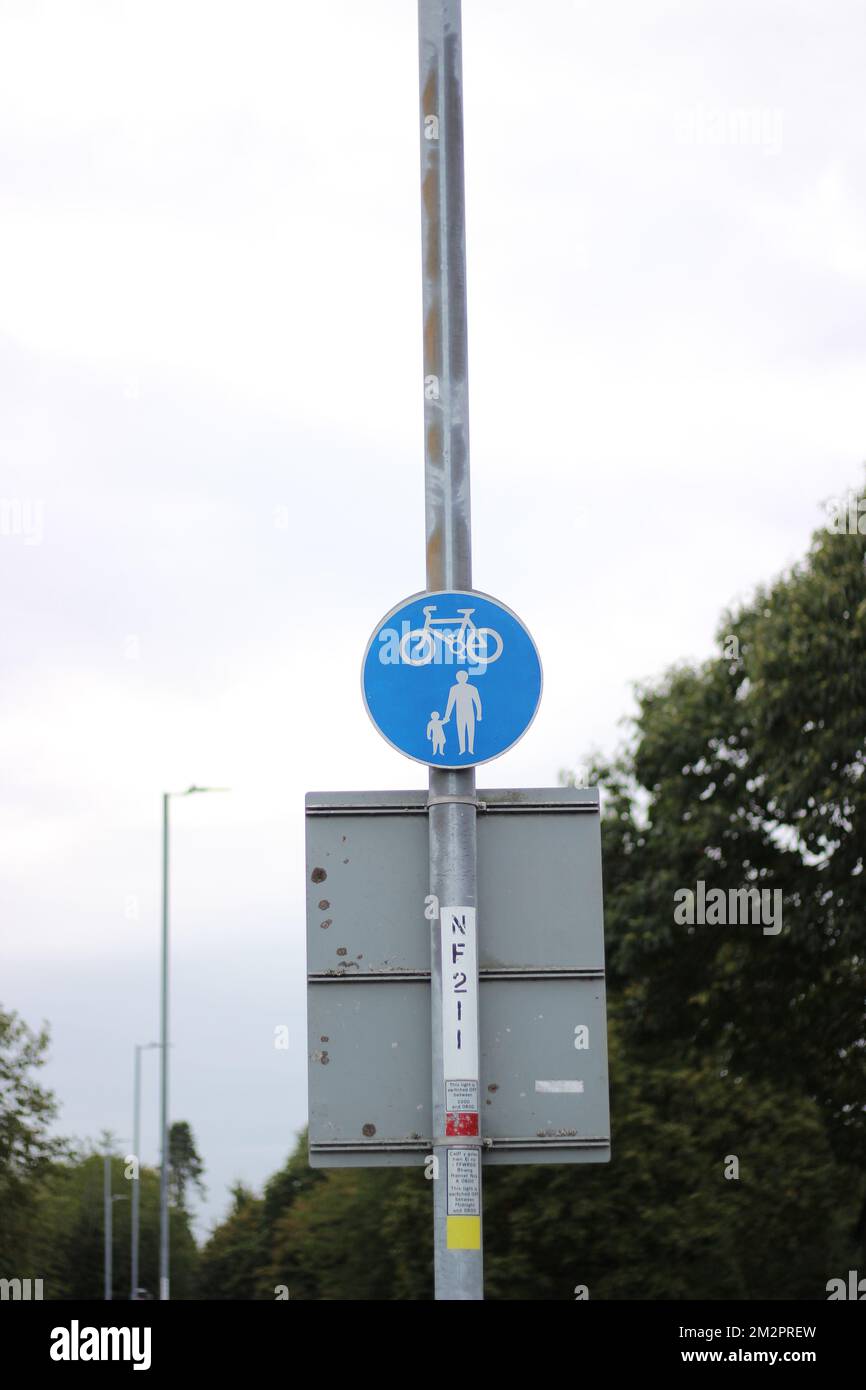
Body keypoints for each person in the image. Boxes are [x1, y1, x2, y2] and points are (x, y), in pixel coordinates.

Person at [443, 670, 482, 754]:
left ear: (466, 678)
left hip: (470, 713)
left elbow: (477, 702)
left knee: (471, 731)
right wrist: (447, 716)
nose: (461, 678)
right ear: (457, 678)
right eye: (460, 677)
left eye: (463, 677)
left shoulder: (472, 688)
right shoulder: (454, 689)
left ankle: (471, 749)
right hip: (459, 714)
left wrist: (479, 714)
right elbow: (450, 703)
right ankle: (462, 749)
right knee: (460, 731)